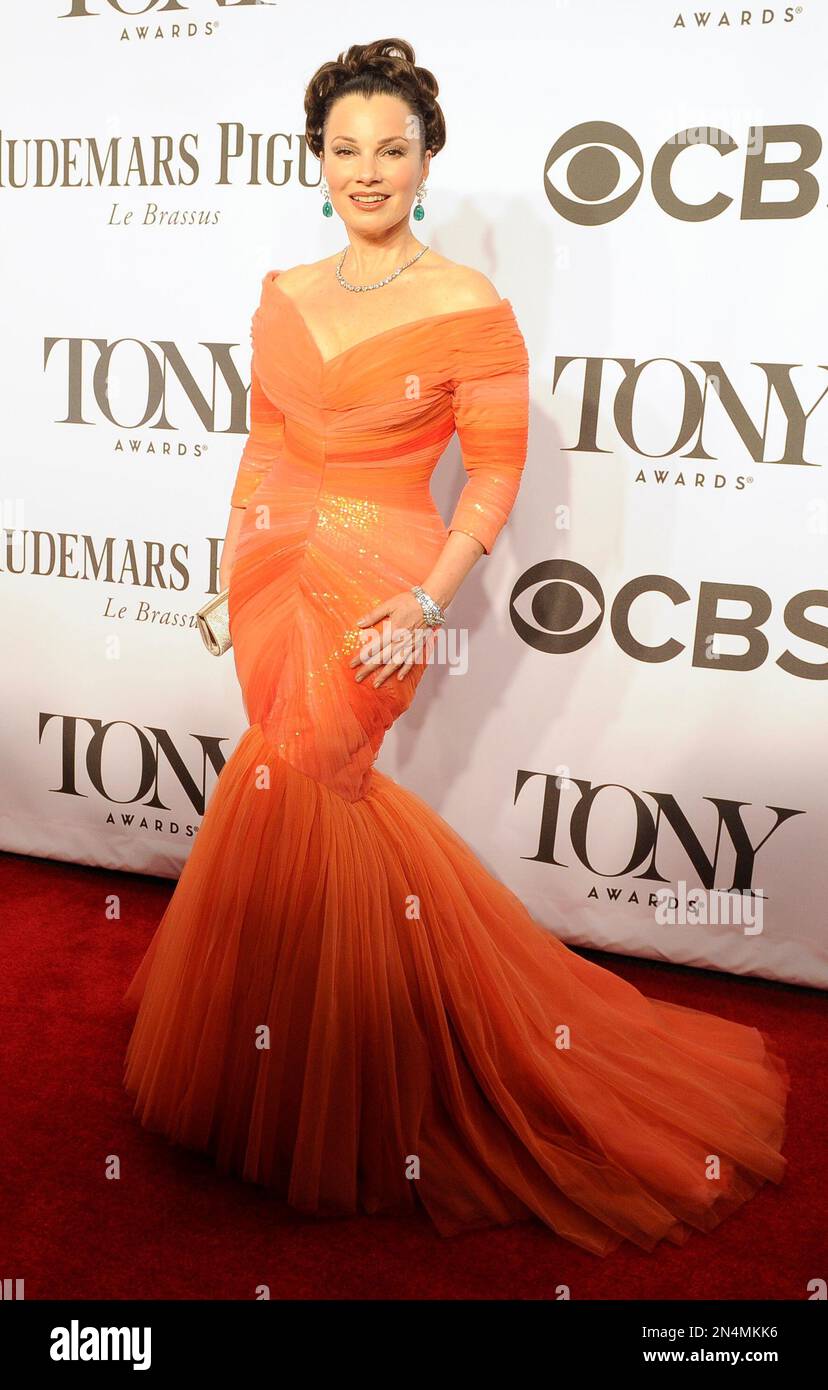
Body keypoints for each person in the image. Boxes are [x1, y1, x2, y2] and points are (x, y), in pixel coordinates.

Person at [122, 38, 788, 1257]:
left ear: (428, 160)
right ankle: (278, 1066)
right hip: (271, 579)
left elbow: (494, 474)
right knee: (279, 788)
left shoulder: (470, 309)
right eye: (344, 149)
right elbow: (263, 448)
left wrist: (425, 604)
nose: (365, 170)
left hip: (384, 584)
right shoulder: (282, 291)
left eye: (391, 148)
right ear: (314, 159)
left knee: (321, 780)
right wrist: (231, 571)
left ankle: (383, 1082)